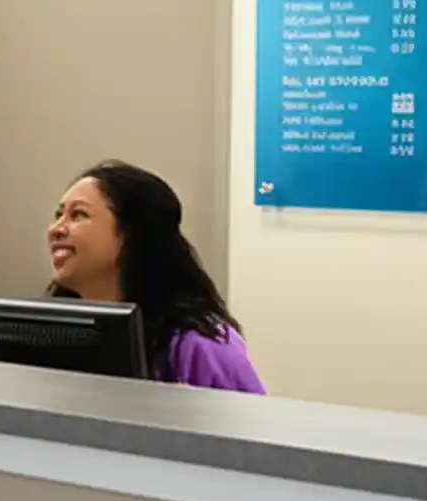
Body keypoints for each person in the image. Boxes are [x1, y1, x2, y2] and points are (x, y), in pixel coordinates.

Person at [46, 159, 264, 394]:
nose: (56, 229)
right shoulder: (57, 335)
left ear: (131, 235)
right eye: (59, 214)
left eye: (78, 214)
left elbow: (249, 427)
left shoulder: (202, 346)